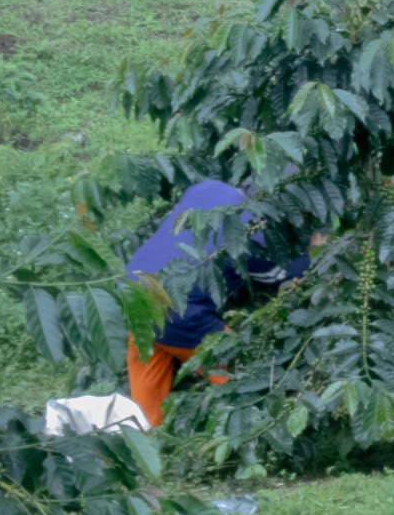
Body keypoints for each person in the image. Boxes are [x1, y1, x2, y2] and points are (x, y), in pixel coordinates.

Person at [123, 179, 310, 427]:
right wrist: (312, 253)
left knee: (145, 410)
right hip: (183, 314)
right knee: (245, 382)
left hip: (132, 291)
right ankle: (257, 433)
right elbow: (283, 276)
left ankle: (145, 445)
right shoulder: (258, 231)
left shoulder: (206, 187)